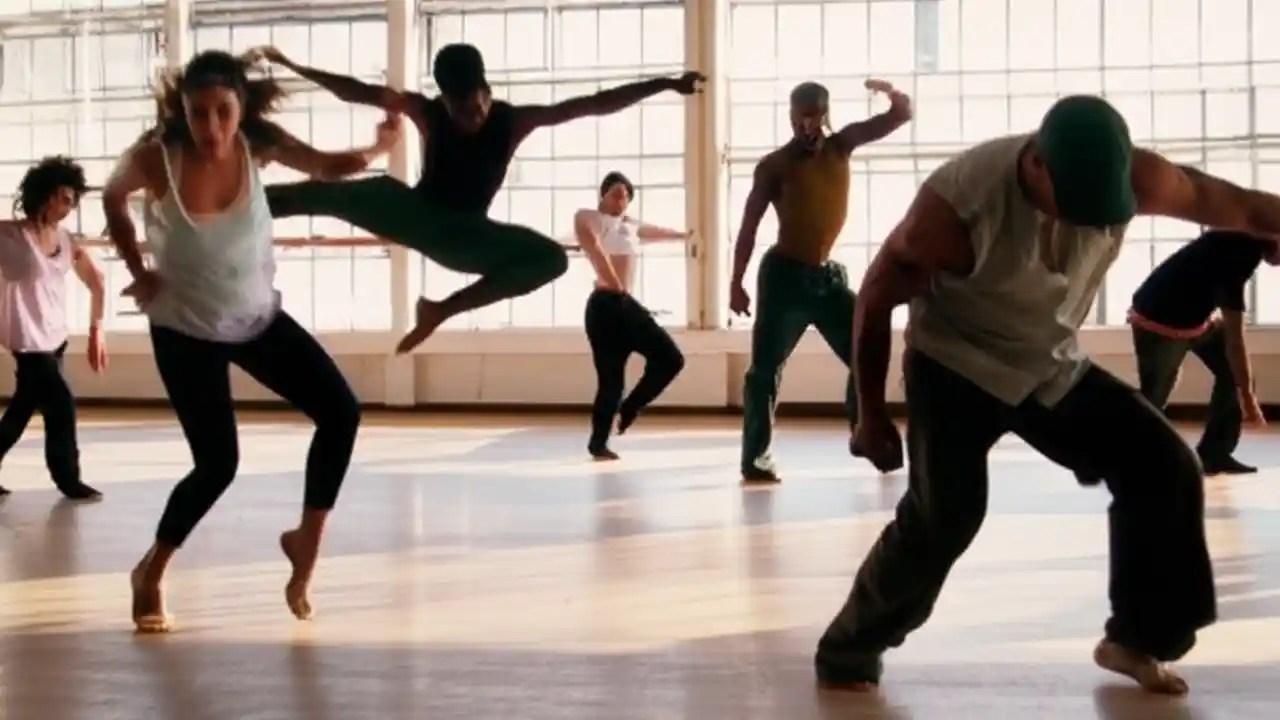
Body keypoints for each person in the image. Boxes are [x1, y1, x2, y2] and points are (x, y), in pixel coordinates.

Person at [821, 94, 1280, 695]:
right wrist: (871, 415)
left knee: (1163, 464)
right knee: (946, 515)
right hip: (953, 363)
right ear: (1036, 164)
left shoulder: (1145, 178)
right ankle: (848, 651)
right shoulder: (957, 206)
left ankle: (1139, 637)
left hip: (1047, 360)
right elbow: (877, 294)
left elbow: (1241, 208)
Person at [102, 50, 400, 633]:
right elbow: (112, 197)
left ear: (240, 111)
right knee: (217, 464)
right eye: (198, 114)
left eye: (222, 113)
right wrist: (137, 267)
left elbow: (323, 166)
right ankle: (151, 571)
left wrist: (378, 149)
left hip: (257, 318)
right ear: (181, 111)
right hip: (185, 329)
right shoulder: (156, 158)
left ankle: (305, 543)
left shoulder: (254, 145)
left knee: (341, 411)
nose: (211, 128)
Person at [247, 43, 704, 354]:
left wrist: (664, 83)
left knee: (551, 261)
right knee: (334, 192)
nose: (472, 118)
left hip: (466, 236)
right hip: (416, 215)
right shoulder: (427, 112)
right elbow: (356, 90)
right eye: (461, 111)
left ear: (488, 92)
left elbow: (594, 103)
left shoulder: (514, 120)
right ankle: (237, 204)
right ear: (444, 102)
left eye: (479, 106)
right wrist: (293, 66)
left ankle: (439, 310)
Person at [728, 79, 911, 483]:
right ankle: (755, 459)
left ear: (826, 116)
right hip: (783, 280)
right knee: (764, 372)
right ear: (791, 118)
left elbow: (901, 115)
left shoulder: (842, 146)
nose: (807, 126)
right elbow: (748, 228)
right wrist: (735, 282)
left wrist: (891, 92)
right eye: (800, 118)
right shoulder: (774, 166)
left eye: (815, 117)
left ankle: (863, 431)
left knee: (865, 351)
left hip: (827, 279)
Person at [0, 157, 107, 501]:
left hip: (55, 338)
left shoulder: (65, 239)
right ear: (43, 194)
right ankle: (68, 479)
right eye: (63, 197)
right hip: (29, 343)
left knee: (21, 409)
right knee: (61, 405)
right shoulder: (10, 235)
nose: (69, 206)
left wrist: (96, 330)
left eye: (73, 200)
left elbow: (97, 280)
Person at [1123, 230, 1274, 474]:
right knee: (1155, 396)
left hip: (1195, 320)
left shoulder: (1248, 245)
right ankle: (1131, 461)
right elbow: (1235, 342)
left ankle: (1215, 454)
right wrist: (1249, 400)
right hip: (1158, 321)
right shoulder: (1235, 254)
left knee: (1233, 374)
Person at [574, 171, 691, 460]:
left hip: (623, 305)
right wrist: (613, 281)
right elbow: (593, 246)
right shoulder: (590, 217)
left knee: (670, 359)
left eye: (626, 195)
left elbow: (658, 232)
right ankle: (598, 443)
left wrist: (686, 236)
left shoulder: (630, 226)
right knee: (610, 382)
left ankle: (630, 408)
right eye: (615, 192)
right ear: (602, 194)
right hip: (604, 306)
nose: (621, 199)